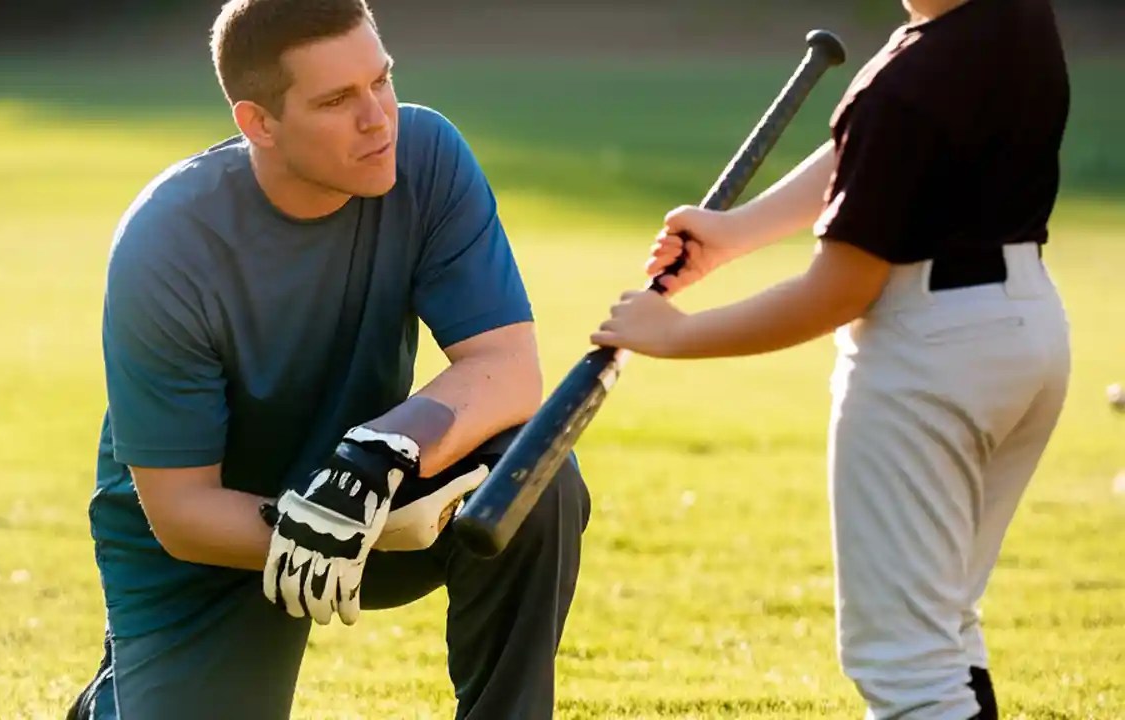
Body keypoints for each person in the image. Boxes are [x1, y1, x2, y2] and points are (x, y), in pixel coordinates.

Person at [65, 1, 590, 718]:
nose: (378, 119)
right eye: (337, 100)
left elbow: (508, 367)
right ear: (259, 124)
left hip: (368, 488)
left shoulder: (427, 155)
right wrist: (313, 525)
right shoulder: (166, 244)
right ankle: (116, 695)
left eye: (382, 81)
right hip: (215, 542)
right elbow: (180, 510)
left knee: (534, 476)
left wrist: (385, 452)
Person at [592, 0, 1070, 718]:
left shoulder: (903, 84)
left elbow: (839, 290)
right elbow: (872, 158)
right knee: (943, 629)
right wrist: (735, 233)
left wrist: (676, 333)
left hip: (929, 356)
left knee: (904, 664)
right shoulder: (1016, 21)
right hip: (1027, 331)